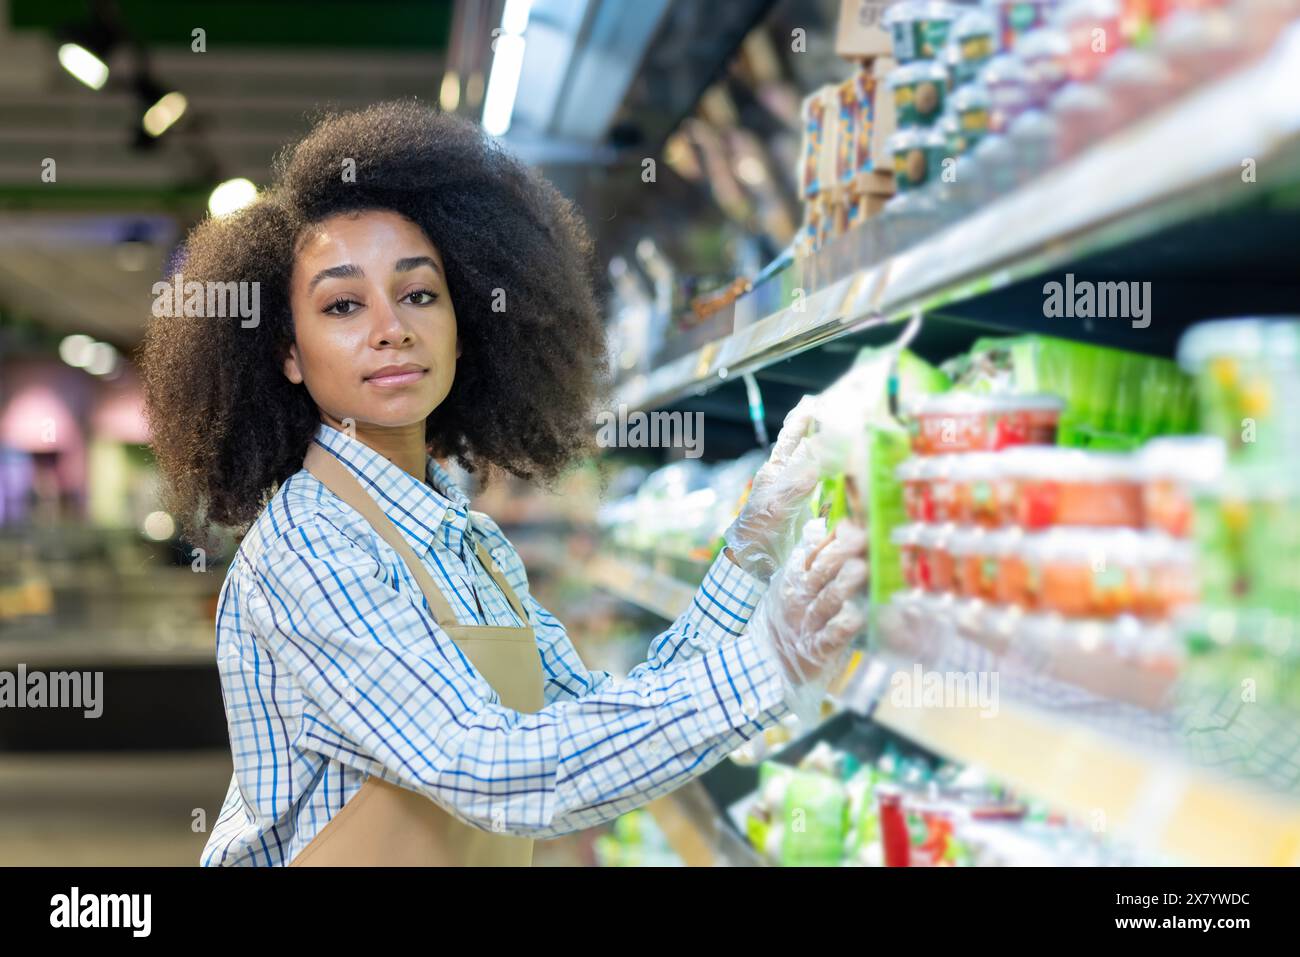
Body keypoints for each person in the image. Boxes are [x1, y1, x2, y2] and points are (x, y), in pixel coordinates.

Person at [139, 101, 866, 866]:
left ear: (465, 325)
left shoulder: (473, 545)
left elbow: (586, 726)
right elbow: (489, 767)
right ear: (287, 353)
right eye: (343, 304)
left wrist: (749, 551)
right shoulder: (308, 549)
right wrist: (764, 666)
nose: (393, 326)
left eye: (420, 293)